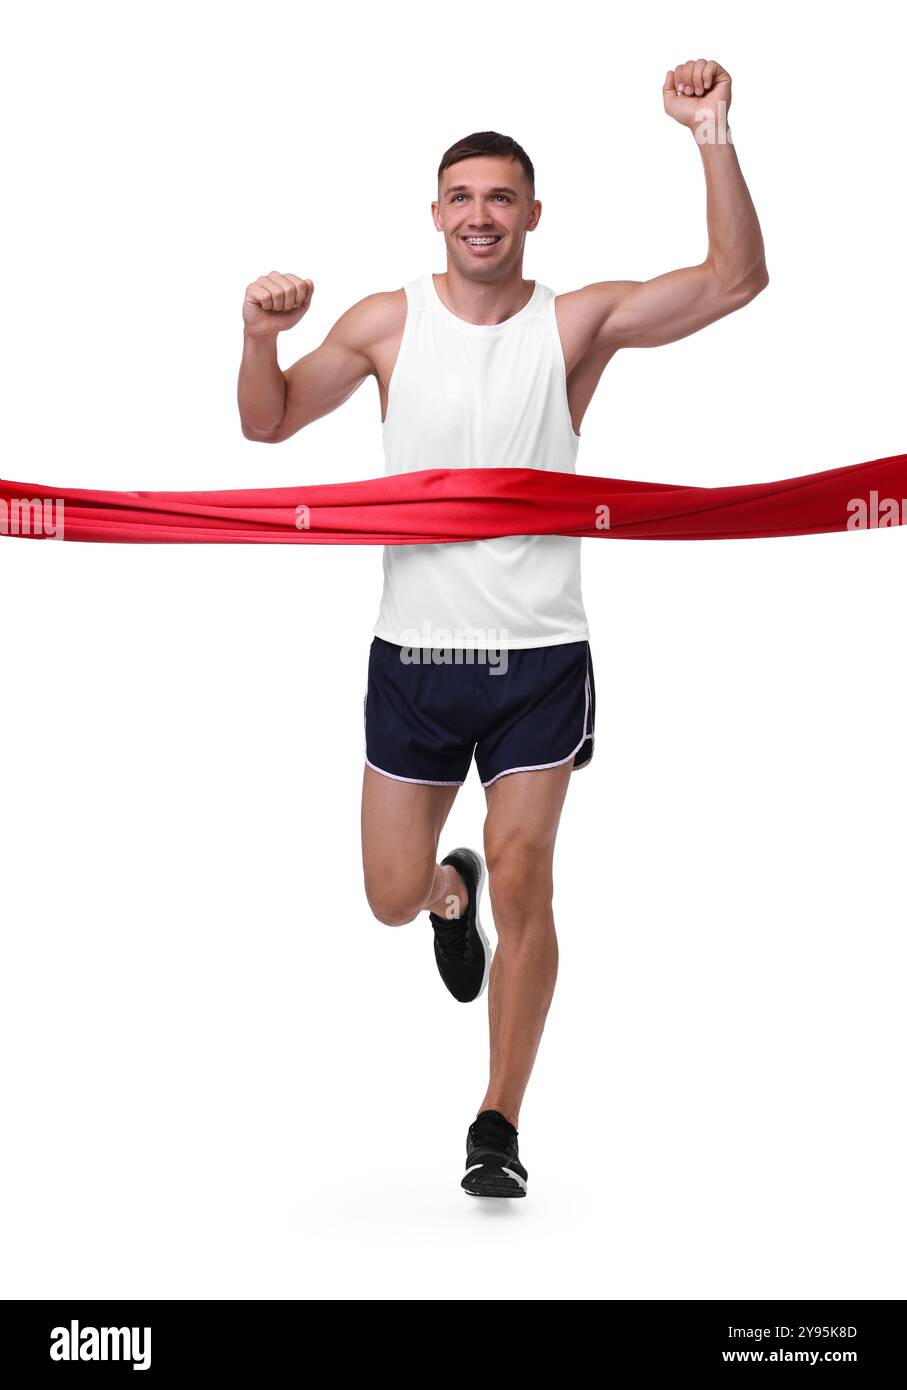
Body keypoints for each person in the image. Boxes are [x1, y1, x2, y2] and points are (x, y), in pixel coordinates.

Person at [237, 58, 768, 1198]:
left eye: (502, 198)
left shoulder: (578, 323)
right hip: (415, 660)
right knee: (386, 895)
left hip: (536, 657)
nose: (482, 215)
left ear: (531, 215)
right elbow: (268, 426)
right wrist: (255, 338)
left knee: (529, 877)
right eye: (462, 197)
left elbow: (734, 280)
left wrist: (709, 130)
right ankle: (445, 893)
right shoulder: (385, 323)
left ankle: (496, 1122)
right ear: (437, 215)